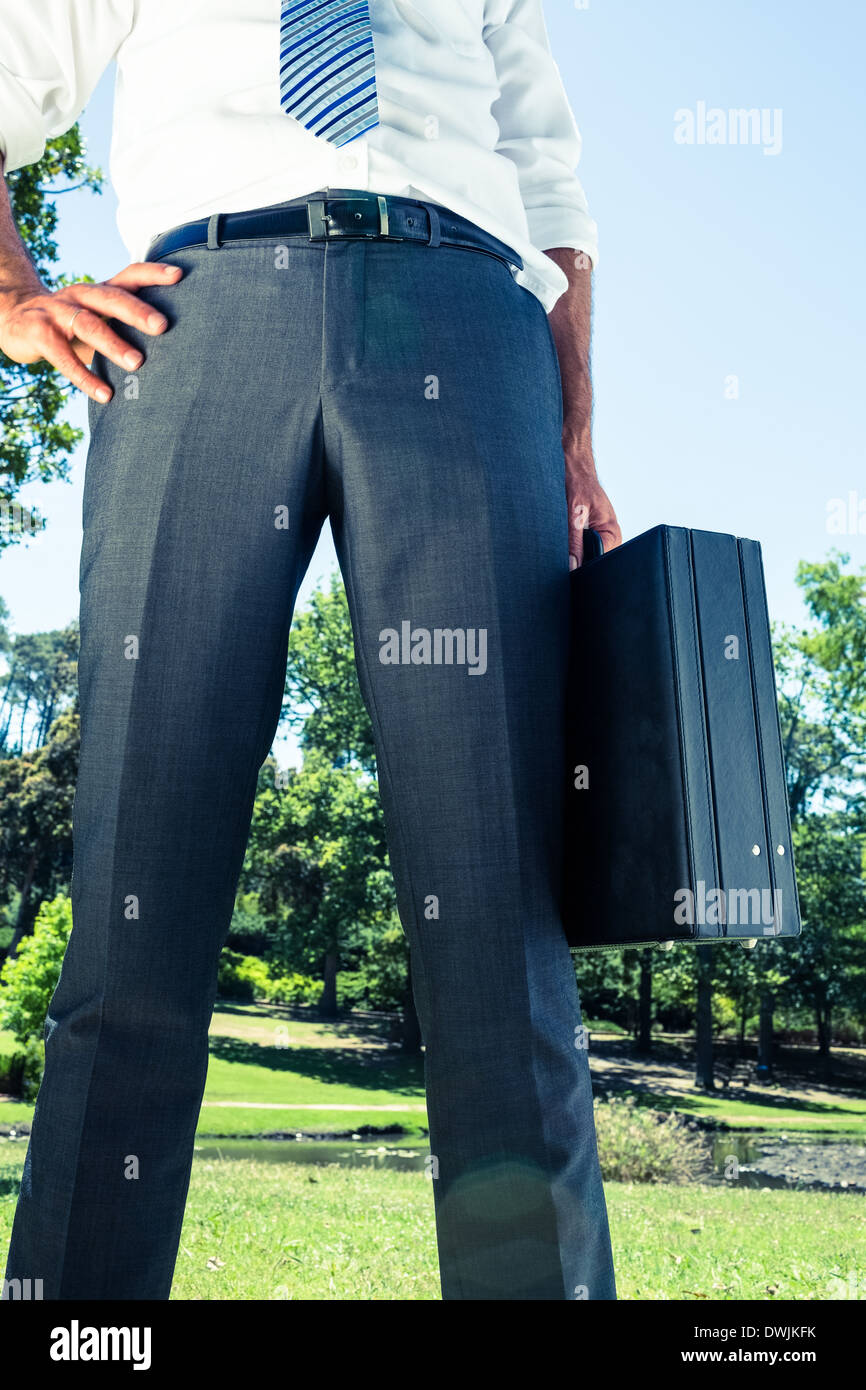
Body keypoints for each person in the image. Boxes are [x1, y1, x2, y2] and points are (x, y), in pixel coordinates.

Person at [0, 0, 621, 1300]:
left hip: (462, 316)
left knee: (502, 922)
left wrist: (571, 436)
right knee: (135, 909)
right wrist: (13, 296)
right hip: (189, 326)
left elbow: (551, 181)